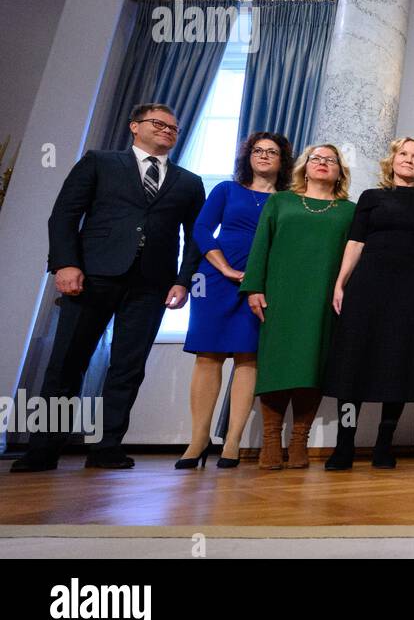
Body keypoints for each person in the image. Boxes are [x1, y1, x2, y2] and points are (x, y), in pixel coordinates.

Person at [12, 104, 205, 473]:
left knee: (128, 367)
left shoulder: (189, 182)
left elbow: (195, 237)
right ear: (135, 126)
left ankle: (107, 447)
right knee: (67, 362)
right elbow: (65, 214)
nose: (167, 131)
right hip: (93, 276)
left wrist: (183, 281)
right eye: (158, 124)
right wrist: (65, 264)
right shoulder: (99, 162)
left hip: (152, 285)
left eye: (173, 129)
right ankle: (43, 448)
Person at [176, 132, 293, 470]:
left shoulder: (286, 199)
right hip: (214, 280)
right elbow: (200, 230)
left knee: (248, 358)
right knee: (208, 356)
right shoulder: (226, 190)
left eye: (272, 152)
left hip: (261, 284)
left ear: (283, 160)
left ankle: (232, 441)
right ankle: (198, 439)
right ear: (247, 156)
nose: (264, 156)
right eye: (258, 150)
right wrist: (225, 268)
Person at [322, 138, 414, 471]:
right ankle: (344, 445)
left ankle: (384, 445)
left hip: (410, 291)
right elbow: (355, 242)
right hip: (367, 287)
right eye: (404, 154)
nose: (409, 160)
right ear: (392, 160)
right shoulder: (371, 198)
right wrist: (340, 283)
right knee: (352, 366)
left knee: (398, 365)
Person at [241, 144, 355, 470]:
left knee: (311, 368)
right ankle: (271, 440)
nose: (322, 164)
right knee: (277, 366)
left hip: (322, 298)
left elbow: (354, 257)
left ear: (339, 171)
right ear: (304, 166)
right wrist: (253, 288)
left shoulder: (349, 210)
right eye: (316, 159)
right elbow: (261, 243)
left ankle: (299, 441)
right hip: (279, 295)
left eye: (330, 161)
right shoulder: (280, 201)